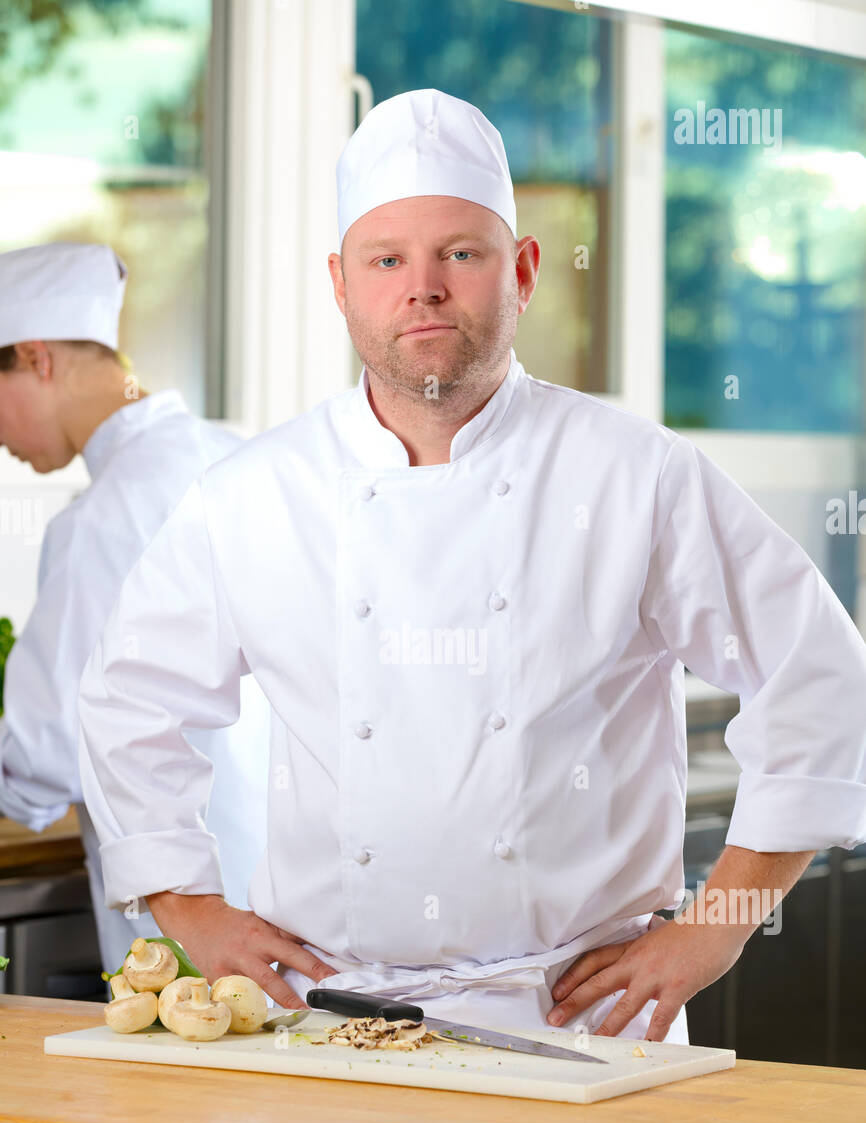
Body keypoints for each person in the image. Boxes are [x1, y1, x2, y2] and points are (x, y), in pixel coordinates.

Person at [78, 92, 866, 1043]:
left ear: (523, 270)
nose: (424, 288)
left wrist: (715, 931)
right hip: (331, 1019)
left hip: (583, 1023)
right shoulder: (249, 496)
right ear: (339, 283)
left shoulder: (635, 474)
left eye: (460, 252)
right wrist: (188, 908)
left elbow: (819, 675)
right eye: (386, 260)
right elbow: (129, 704)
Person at [0, 241, 271, 973]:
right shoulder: (242, 458)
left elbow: (41, 758)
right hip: (303, 906)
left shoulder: (101, 520)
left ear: (36, 358)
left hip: (195, 935)